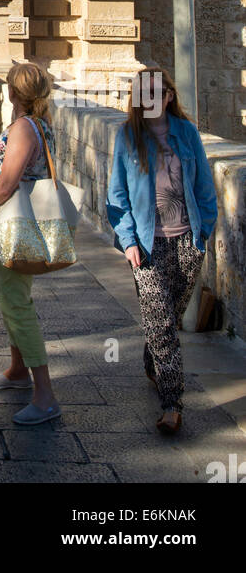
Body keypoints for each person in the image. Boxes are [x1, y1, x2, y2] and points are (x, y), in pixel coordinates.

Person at [106, 68, 217, 436]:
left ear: (168, 96)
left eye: (156, 92)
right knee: (164, 323)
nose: (149, 98)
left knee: (166, 319)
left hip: (187, 241)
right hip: (147, 247)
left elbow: (204, 186)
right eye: (142, 92)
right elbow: (116, 196)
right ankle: (172, 405)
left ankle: (153, 362)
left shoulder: (186, 133)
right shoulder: (127, 136)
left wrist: (203, 234)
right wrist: (128, 241)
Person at [0, 62, 61, 426]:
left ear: (14, 92)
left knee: (16, 304)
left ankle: (45, 394)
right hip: (15, 221)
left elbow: (7, 184)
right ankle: (18, 370)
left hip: (15, 223)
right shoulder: (39, 124)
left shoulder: (24, 128)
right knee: (13, 298)